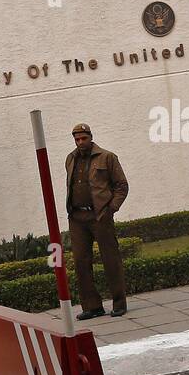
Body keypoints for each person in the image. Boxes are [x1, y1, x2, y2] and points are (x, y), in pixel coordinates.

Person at [65, 123, 129, 318]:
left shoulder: (107, 157)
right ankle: (92, 306)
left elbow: (122, 186)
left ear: (91, 137)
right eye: (77, 139)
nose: (80, 142)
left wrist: (111, 209)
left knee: (110, 259)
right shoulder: (70, 159)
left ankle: (119, 303)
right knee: (80, 262)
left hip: (100, 215)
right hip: (77, 217)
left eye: (83, 138)